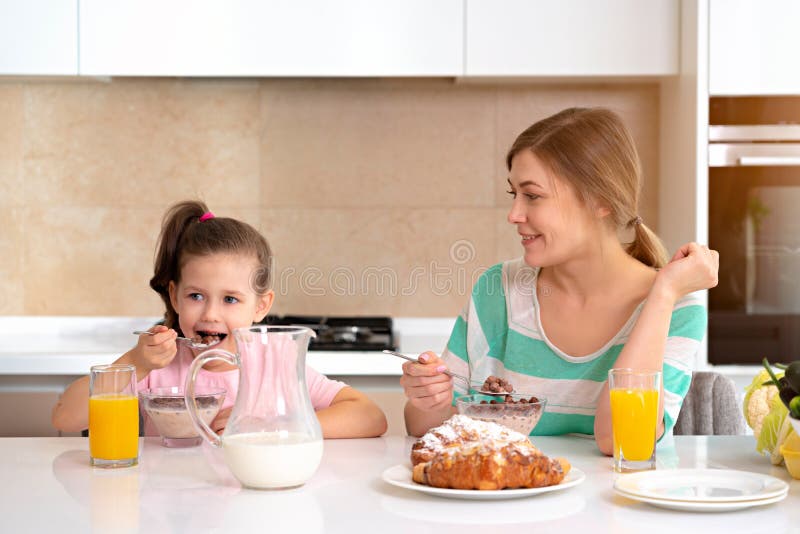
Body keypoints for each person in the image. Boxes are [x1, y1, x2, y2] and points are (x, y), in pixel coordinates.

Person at [401, 108, 718, 455]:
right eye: (514, 195)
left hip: (614, 508)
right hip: (508, 504)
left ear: (599, 201)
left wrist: (663, 294)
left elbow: (623, 442)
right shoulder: (499, 291)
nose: (514, 215)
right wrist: (426, 398)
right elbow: (423, 427)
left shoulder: (676, 306)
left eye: (533, 196)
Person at [52, 200, 387, 438]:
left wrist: (275, 425)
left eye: (230, 299)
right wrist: (136, 362)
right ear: (174, 296)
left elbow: (370, 416)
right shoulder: (158, 367)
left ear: (260, 306)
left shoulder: (274, 366)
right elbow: (65, 417)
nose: (210, 314)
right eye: (195, 296)